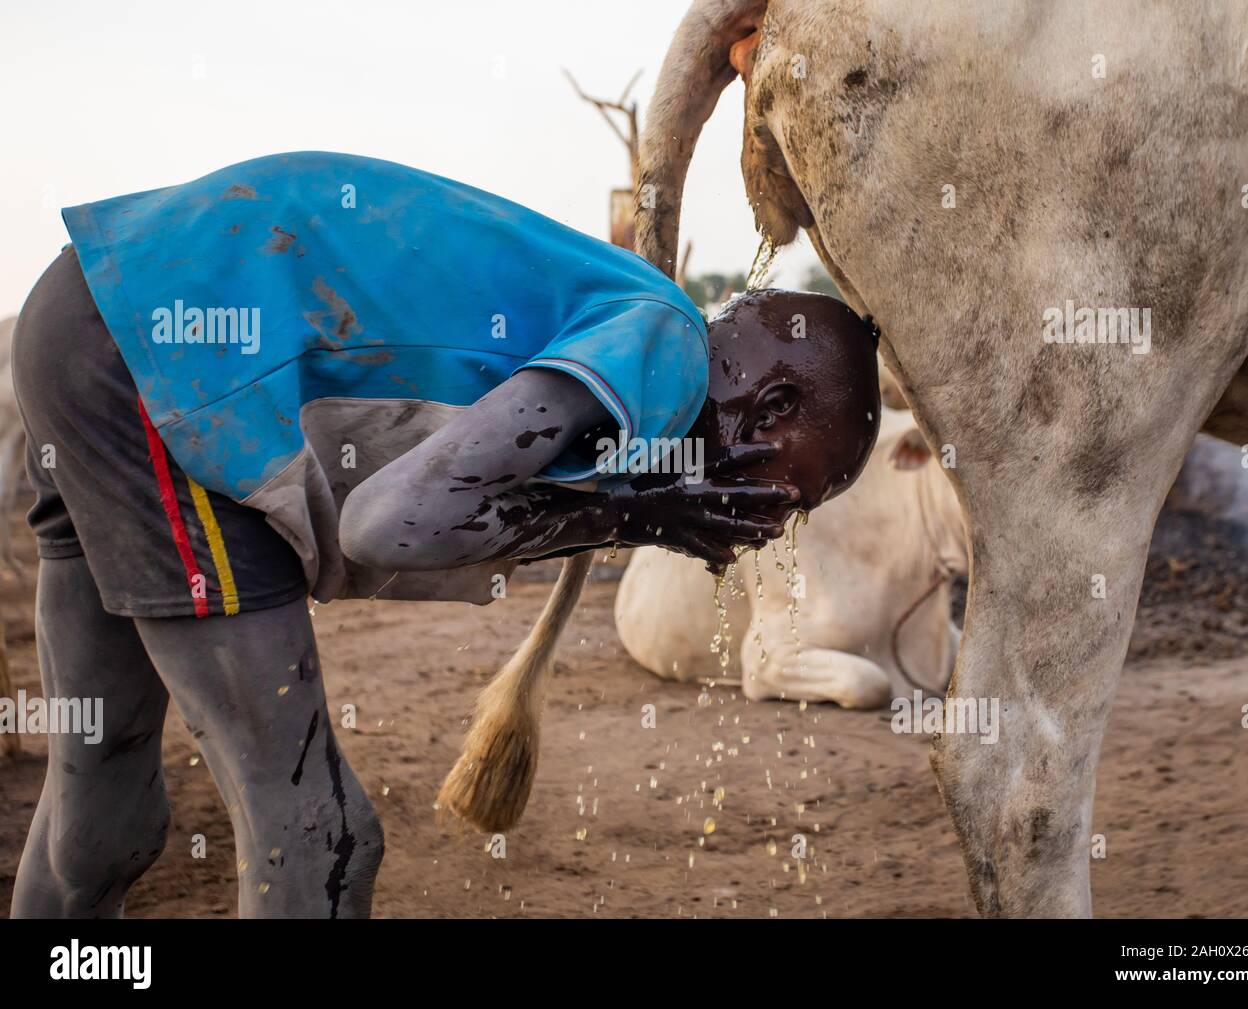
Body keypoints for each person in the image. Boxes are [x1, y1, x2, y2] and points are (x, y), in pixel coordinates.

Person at [9, 152, 880, 918]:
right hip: (162, 366)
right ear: (770, 406)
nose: (766, 527)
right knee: (322, 839)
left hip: (99, 306)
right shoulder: (670, 347)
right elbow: (384, 525)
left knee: (103, 827)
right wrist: (642, 514)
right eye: (788, 496)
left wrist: (633, 510)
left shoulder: (625, 337)